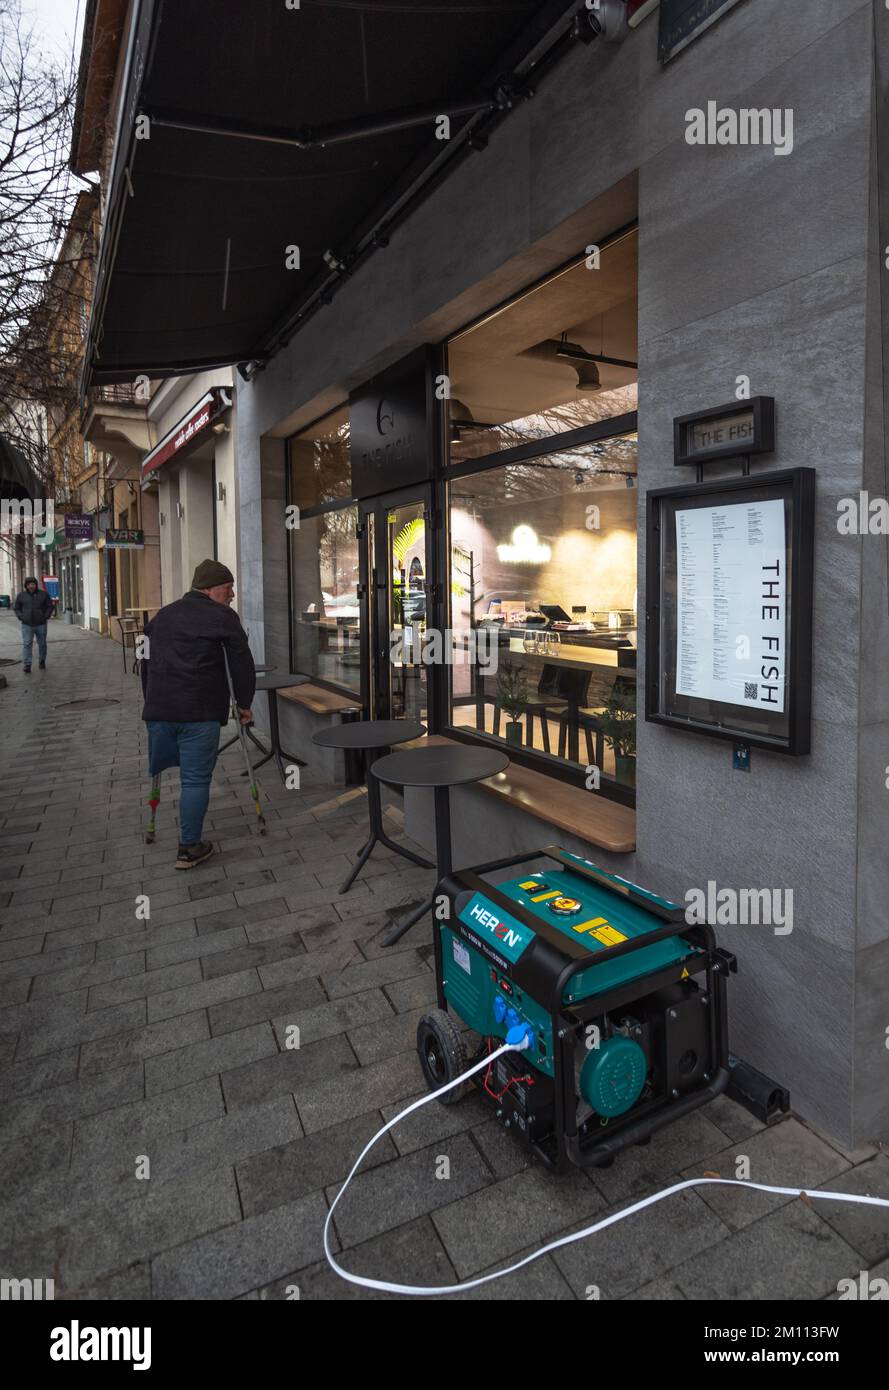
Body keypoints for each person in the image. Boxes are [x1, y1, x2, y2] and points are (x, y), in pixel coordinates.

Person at [140, 559, 255, 870]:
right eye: (227, 589)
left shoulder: (163, 616)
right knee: (194, 780)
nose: (231, 595)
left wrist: (149, 701)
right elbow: (242, 663)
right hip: (198, 712)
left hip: (159, 712)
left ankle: (179, 840)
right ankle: (189, 847)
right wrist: (244, 703)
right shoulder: (222, 617)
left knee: (164, 773)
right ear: (209, 589)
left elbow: (145, 661)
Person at [14, 576, 54, 672]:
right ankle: (27, 665)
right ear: (26, 586)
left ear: (36, 585)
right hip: (27, 624)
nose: (31, 586)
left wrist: (45, 616)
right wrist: (21, 616)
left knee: (42, 644)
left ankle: (42, 661)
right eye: (29, 585)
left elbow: (50, 606)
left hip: (41, 624)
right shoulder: (21, 595)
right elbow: (17, 608)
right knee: (27, 644)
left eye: (33, 584)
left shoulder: (43, 594)